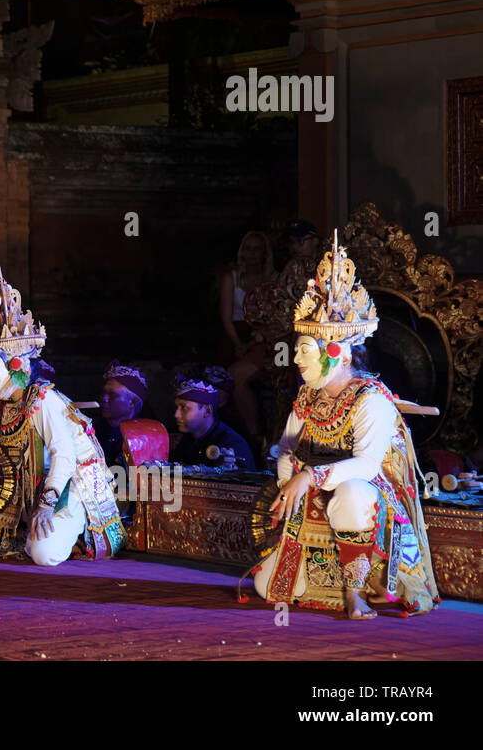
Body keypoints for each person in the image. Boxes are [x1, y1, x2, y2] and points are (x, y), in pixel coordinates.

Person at [252, 233, 438, 619]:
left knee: (351, 493)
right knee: (265, 586)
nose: (297, 360)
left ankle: (355, 591)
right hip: (317, 490)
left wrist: (310, 478)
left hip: (369, 499)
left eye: (305, 352)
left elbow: (367, 467)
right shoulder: (308, 396)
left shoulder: (371, 398)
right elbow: (286, 446)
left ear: (337, 353)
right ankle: (330, 584)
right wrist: (292, 481)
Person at [0, 270, 124, 565]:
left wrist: (45, 505)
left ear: (17, 364)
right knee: (20, 538)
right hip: (33, 487)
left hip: (71, 485)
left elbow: (65, 455)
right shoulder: (4, 405)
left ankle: (78, 529)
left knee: (44, 554)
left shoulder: (42, 399)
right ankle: (35, 526)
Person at [219, 231, 273, 445]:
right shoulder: (231, 277)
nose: (252, 254)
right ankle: (233, 437)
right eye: (248, 248)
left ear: (264, 253)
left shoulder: (274, 278)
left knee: (237, 376)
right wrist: (239, 344)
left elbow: (275, 317)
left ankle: (254, 436)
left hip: (264, 337)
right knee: (223, 380)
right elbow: (225, 316)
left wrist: (254, 341)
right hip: (235, 335)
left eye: (257, 249)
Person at [170, 375, 257, 470]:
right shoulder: (186, 440)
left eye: (184, 408)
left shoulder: (231, 444)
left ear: (207, 411)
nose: (176, 414)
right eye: (177, 407)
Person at [97, 360, 149, 470]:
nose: (104, 398)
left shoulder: (145, 437)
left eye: (112, 394)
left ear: (133, 402)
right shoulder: (94, 430)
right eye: (104, 393)